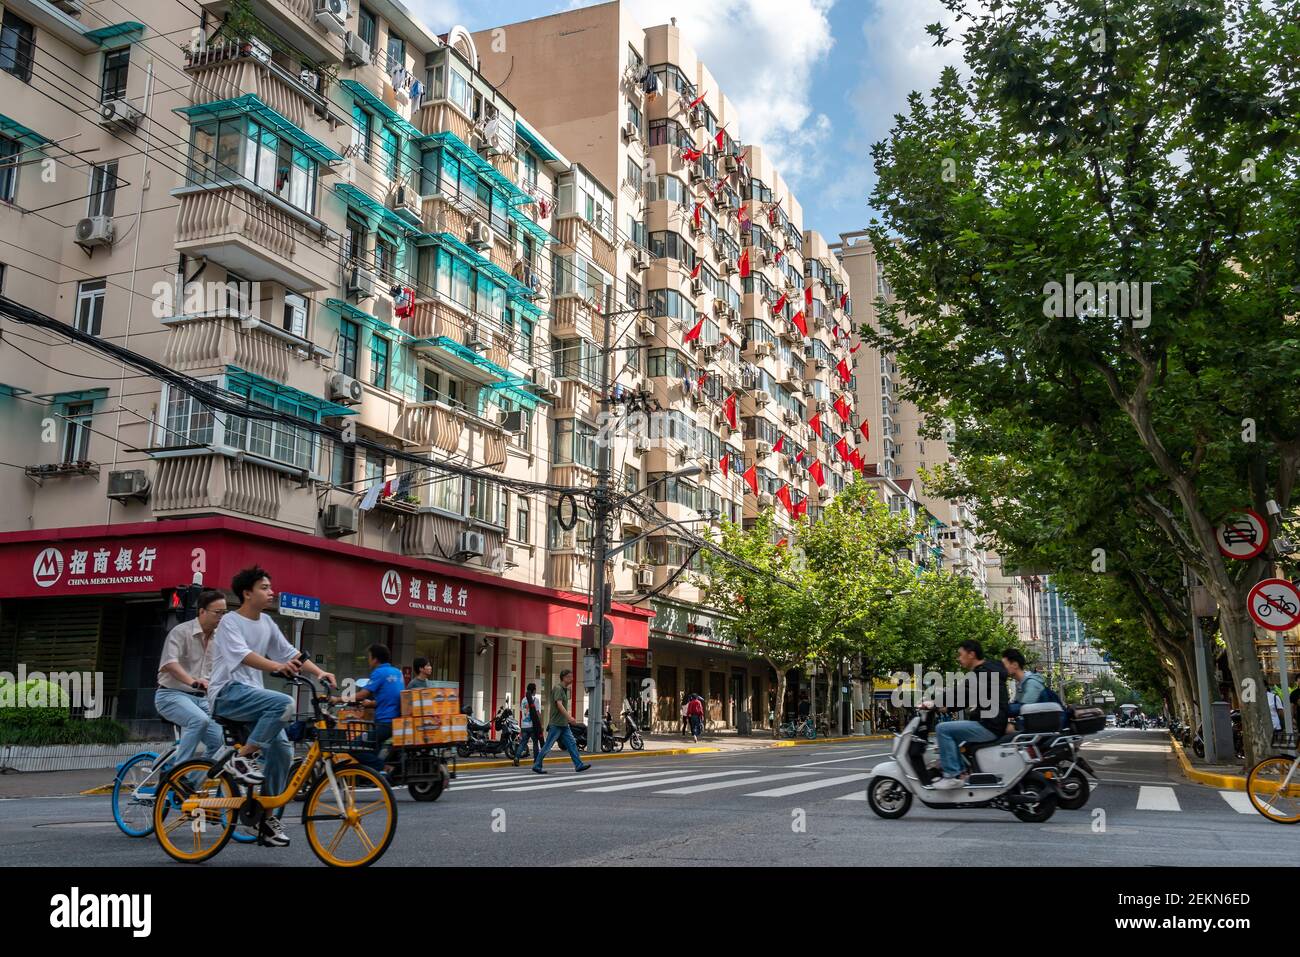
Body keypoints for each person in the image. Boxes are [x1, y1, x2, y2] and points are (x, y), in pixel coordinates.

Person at [209, 566, 335, 847]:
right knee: (284, 703)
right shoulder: (230, 622)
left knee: (282, 751)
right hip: (227, 694)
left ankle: (266, 821)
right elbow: (244, 656)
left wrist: (319, 673)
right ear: (247, 593)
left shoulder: (266, 623)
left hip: (252, 698)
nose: (271, 592)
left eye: (270, 587)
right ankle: (240, 757)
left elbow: (290, 652)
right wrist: (277, 666)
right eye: (264, 588)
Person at [154, 589, 227, 775]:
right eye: (217, 613)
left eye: (224, 613)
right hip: (170, 695)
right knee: (199, 720)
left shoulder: (220, 639)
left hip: (202, 699)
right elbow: (170, 663)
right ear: (202, 611)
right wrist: (193, 682)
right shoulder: (181, 632)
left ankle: (189, 786)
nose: (221, 617)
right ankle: (178, 773)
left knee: (221, 743)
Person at [932, 640, 1010, 789]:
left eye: (960, 655)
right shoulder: (988, 671)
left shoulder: (982, 673)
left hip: (989, 725)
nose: (958, 659)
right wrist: (947, 708)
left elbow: (963, 693)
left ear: (971, 654)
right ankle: (963, 772)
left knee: (943, 729)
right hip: (993, 722)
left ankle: (953, 775)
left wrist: (934, 702)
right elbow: (967, 697)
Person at [333, 644, 402, 776]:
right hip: (396, 722)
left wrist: (337, 699)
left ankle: (384, 768)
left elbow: (361, 695)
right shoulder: (397, 672)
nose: (368, 660)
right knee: (372, 748)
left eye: (369, 657)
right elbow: (391, 698)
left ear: (375, 659)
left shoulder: (379, 672)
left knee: (354, 747)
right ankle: (372, 776)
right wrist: (370, 704)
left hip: (384, 723)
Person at [530, 670, 591, 774]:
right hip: (556, 724)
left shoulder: (564, 689)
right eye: (570, 677)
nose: (572, 678)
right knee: (548, 746)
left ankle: (578, 765)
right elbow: (559, 704)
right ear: (564, 677)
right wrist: (569, 717)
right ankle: (537, 765)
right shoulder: (558, 688)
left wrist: (567, 720)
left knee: (572, 744)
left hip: (563, 725)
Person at [1001, 648, 1048, 729]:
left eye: (1004, 665)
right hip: (1032, 727)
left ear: (1015, 665)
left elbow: (1024, 707)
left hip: (1040, 729)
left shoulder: (1032, 682)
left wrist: (999, 710)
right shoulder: (1020, 684)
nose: (1002, 668)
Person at [513, 682, 543, 766]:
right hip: (532, 725)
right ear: (533, 690)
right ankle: (536, 760)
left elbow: (522, 711)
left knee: (523, 743)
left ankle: (516, 757)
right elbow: (537, 713)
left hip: (524, 725)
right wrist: (540, 723)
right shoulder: (535, 700)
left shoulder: (523, 700)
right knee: (535, 743)